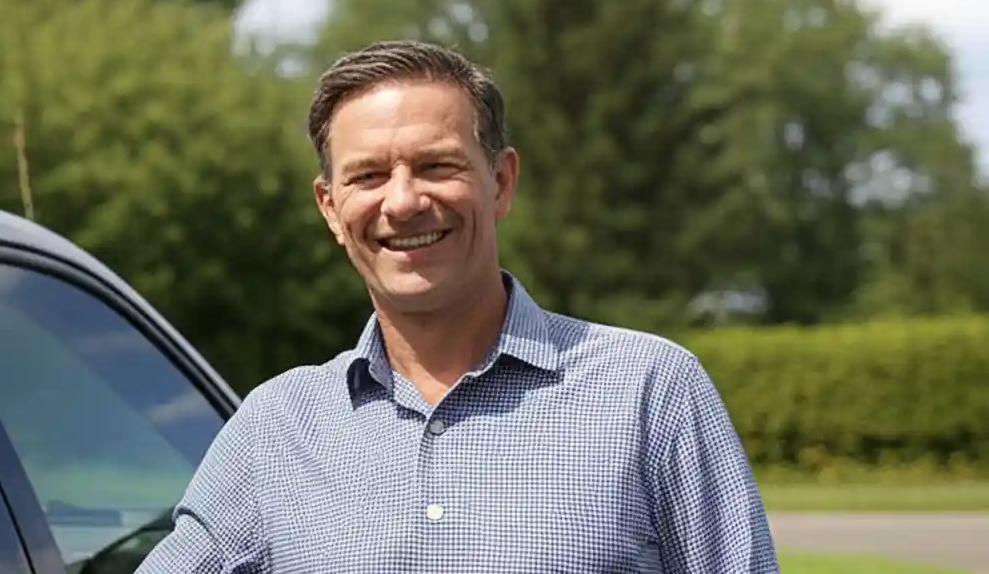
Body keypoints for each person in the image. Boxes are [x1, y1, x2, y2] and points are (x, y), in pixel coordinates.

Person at [138, 40, 777, 573]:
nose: (403, 201)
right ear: (330, 207)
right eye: (367, 176)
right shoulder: (277, 426)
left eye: (437, 165)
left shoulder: (649, 392)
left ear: (500, 182)